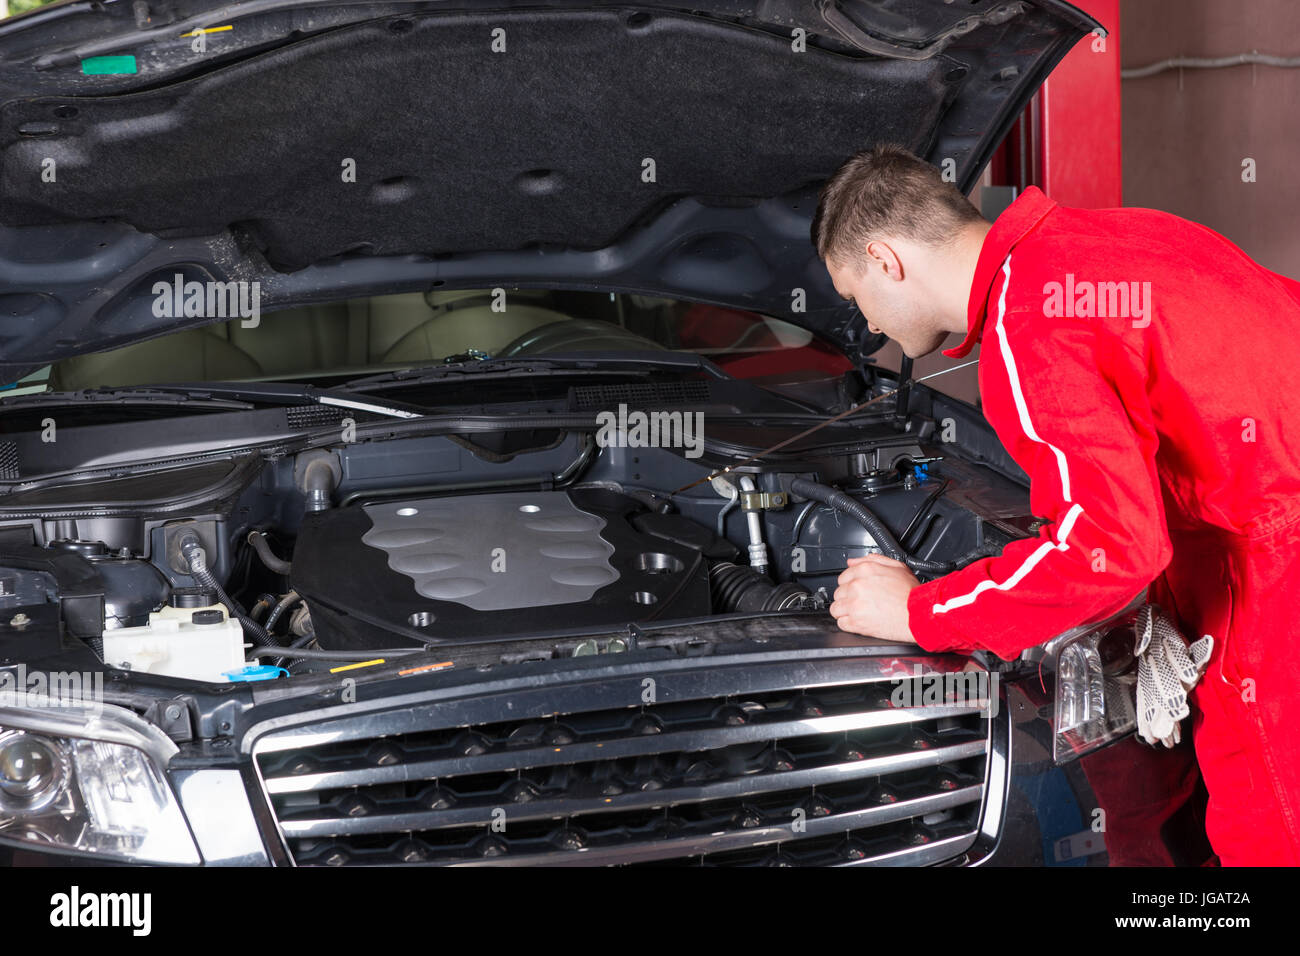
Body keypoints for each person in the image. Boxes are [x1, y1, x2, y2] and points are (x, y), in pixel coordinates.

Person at [817, 144, 1300, 866]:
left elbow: (1108, 546)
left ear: (887, 260)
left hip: (1271, 581)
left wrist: (921, 611)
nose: (873, 330)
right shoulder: (1120, 235)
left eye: (858, 301)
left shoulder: (1029, 319)